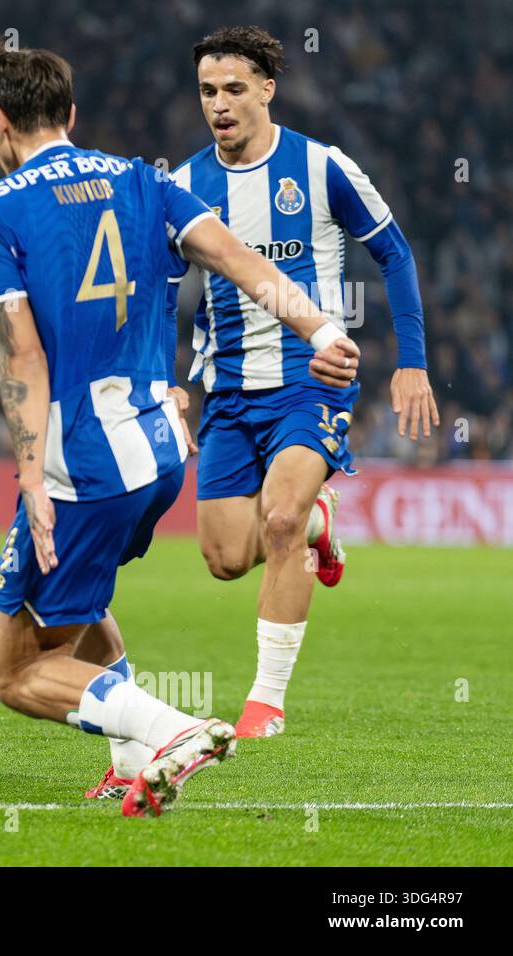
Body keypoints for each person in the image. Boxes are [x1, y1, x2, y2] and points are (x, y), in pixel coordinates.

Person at [0, 38, 360, 816]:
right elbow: (240, 261)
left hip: (82, 459)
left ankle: (174, 731)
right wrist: (320, 332)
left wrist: (33, 478)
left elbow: (24, 355)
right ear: (71, 115)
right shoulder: (147, 180)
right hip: (164, 449)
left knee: (14, 672)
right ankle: (128, 755)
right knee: (83, 597)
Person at [168, 26, 437, 738]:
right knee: (226, 559)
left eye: (232, 89)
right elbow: (161, 294)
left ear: (267, 89)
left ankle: (265, 703)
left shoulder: (322, 168)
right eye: (206, 91)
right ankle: (320, 524)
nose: (219, 104)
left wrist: (412, 363)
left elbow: (396, 255)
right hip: (228, 389)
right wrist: (162, 381)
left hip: (311, 380)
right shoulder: (185, 186)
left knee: (278, 517)